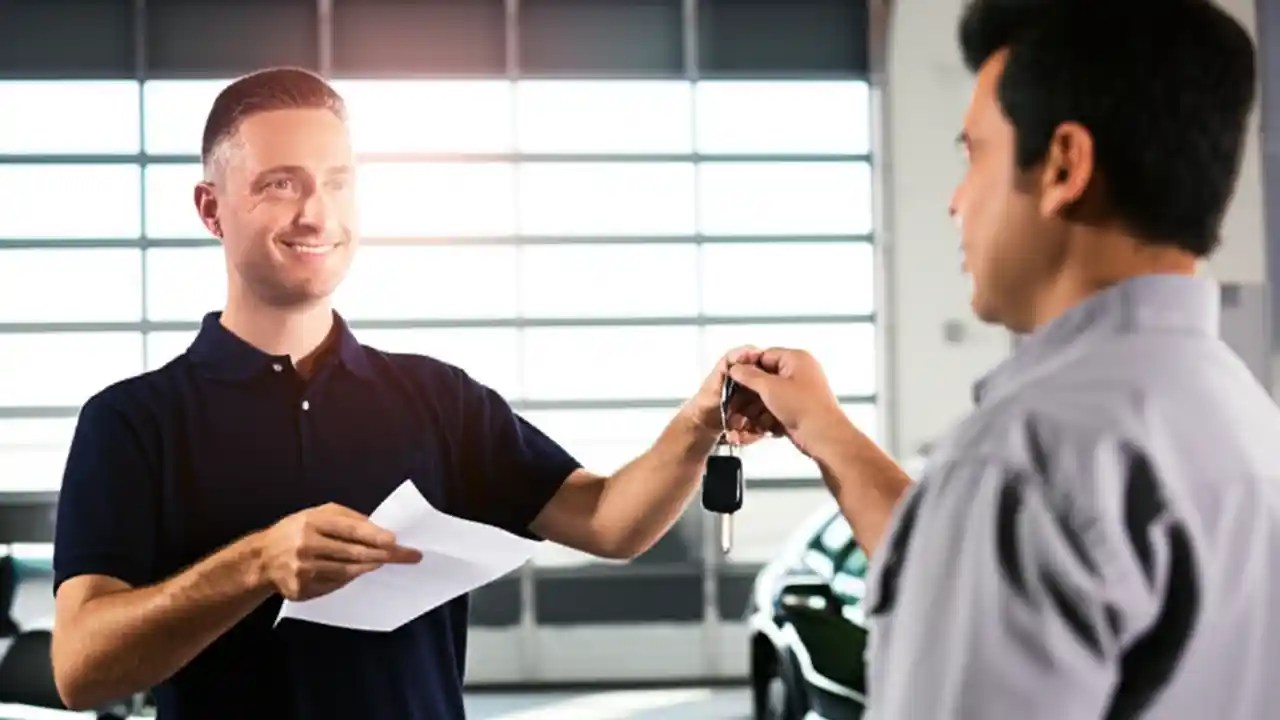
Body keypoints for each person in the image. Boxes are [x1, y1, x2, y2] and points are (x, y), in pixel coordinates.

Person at [49, 67, 770, 719]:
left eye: (337, 182)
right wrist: (257, 564)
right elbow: (80, 669)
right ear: (211, 209)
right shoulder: (132, 421)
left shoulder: (437, 398)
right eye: (280, 184)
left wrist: (698, 422)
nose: (317, 213)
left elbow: (610, 521)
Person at [727, 1, 1280, 718]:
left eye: (974, 155)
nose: (957, 202)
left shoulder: (1025, 457)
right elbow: (986, 569)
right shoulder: (1242, 420)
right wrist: (824, 428)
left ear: (1063, 166)